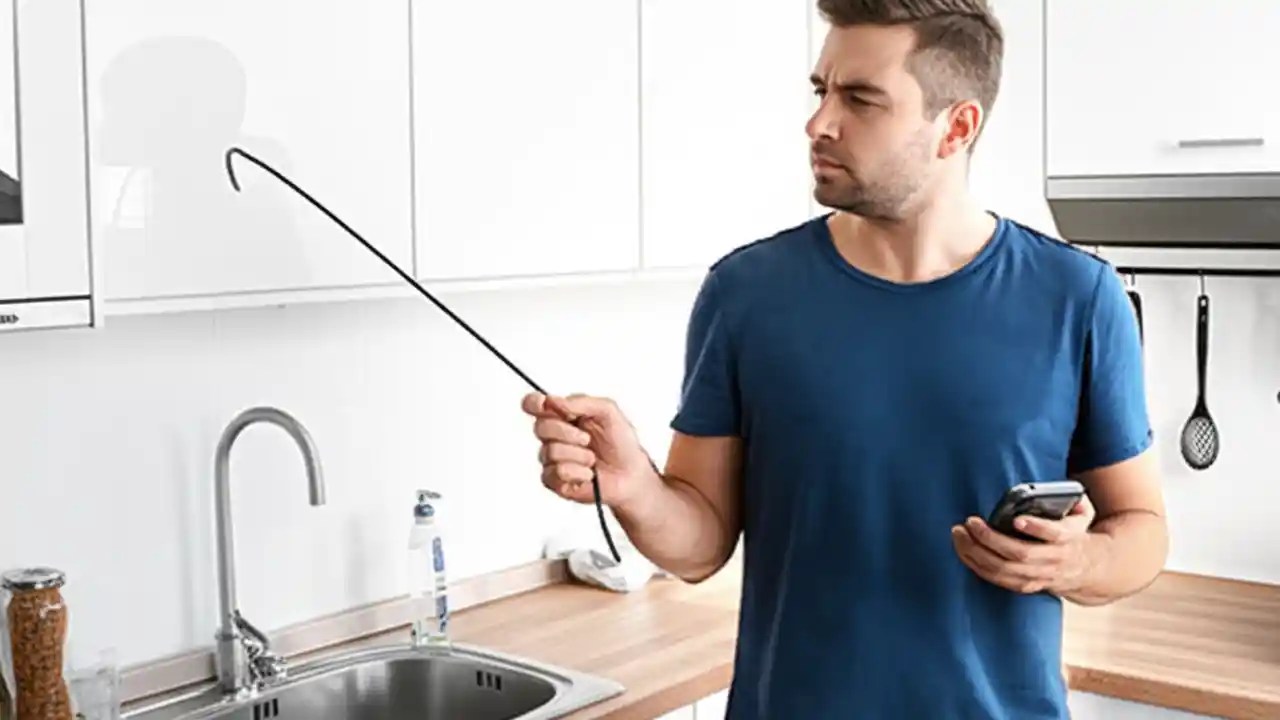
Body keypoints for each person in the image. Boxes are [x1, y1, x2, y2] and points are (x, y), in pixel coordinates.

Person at [521, 0, 1168, 717]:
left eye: (860, 99)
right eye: (821, 90)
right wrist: (636, 487)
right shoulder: (746, 294)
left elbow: (1142, 527)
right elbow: (702, 543)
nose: (819, 123)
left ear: (956, 128)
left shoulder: (1077, 297)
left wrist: (1079, 561)